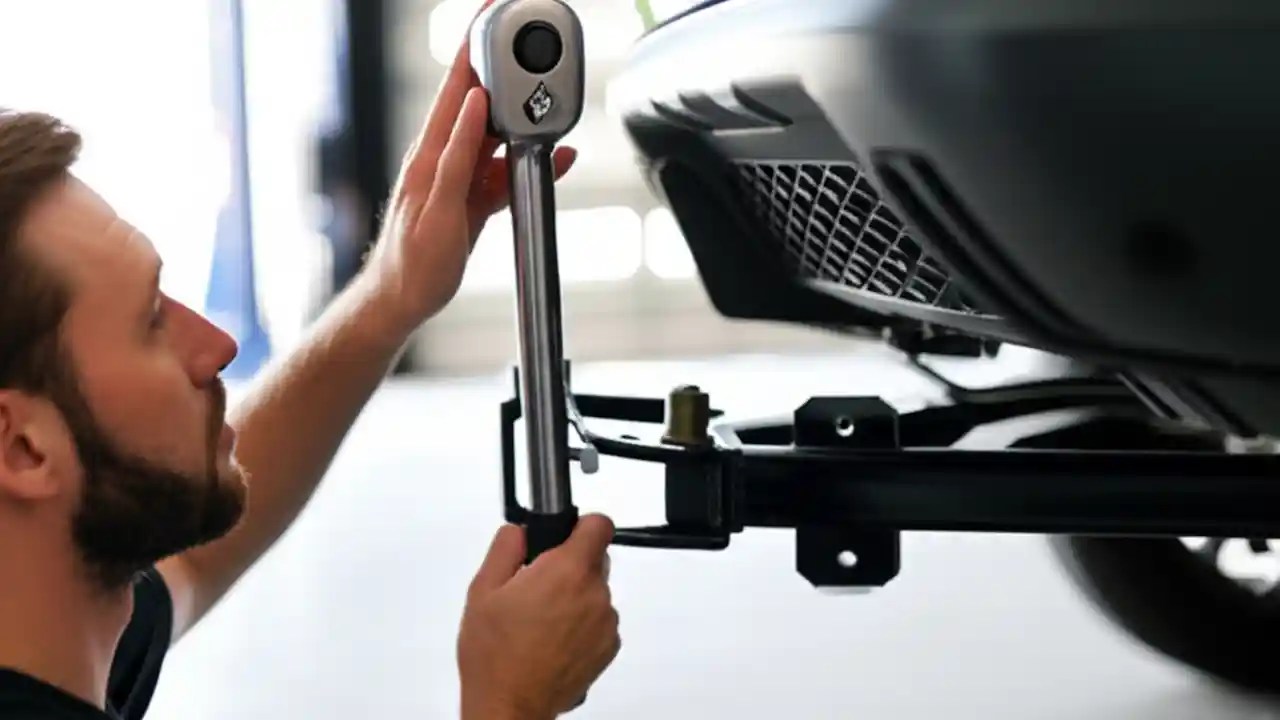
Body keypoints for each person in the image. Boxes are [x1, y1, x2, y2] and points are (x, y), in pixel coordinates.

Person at [0, 11, 620, 720]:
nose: (217, 347)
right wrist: (510, 703)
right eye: (149, 322)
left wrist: (393, 291)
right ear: (20, 446)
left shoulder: (47, 641)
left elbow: (195, 563)